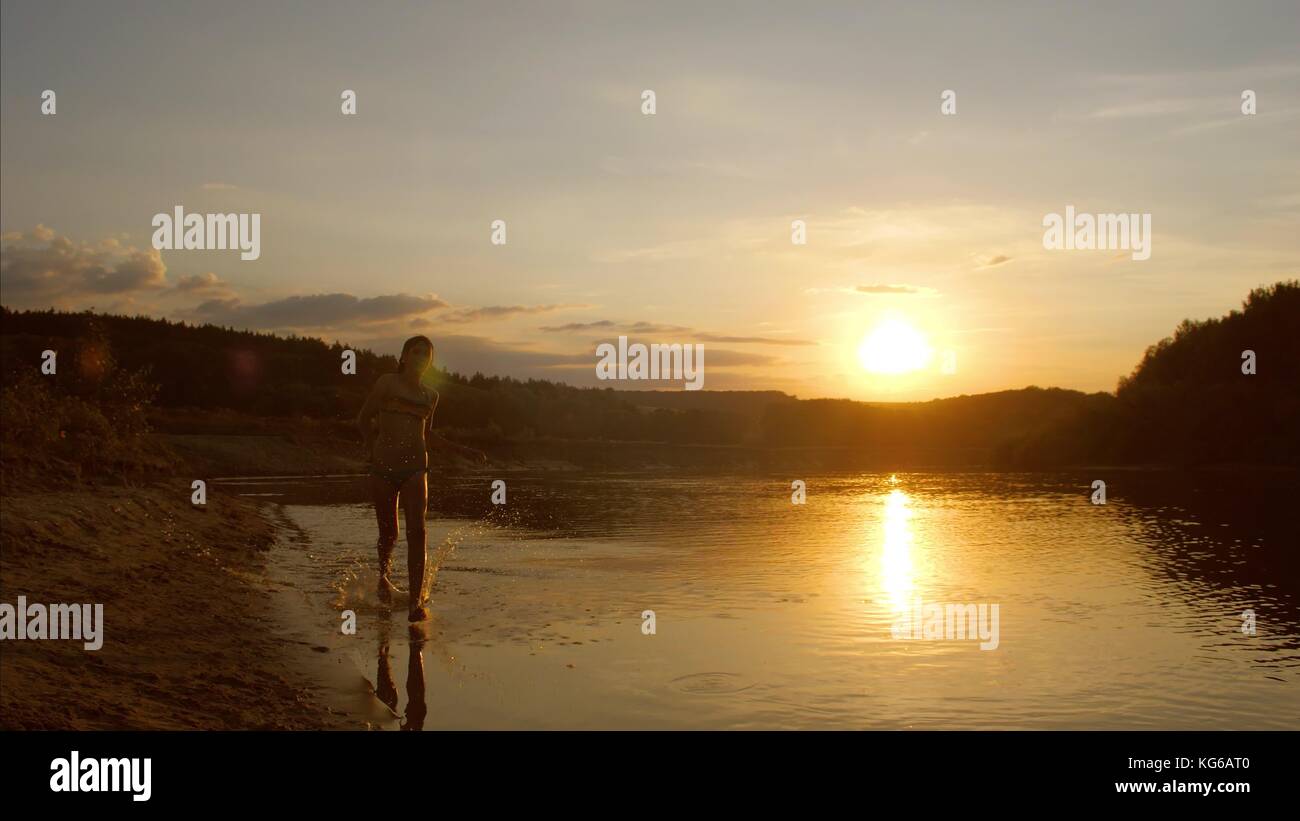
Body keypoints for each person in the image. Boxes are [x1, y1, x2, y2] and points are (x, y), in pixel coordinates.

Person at [356, 336, 481, 621]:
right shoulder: (387, 383)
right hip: (383, 468)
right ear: (403, 356)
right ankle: (383, 578)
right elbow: (363, 419)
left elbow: (428, 436)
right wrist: (370, 449)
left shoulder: (430, 396)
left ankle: (415, 603)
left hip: (416, 468)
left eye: (427, 354)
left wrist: (463, 450)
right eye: (416, 352)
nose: (421, 357)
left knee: (418, 532)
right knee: (389, 533)